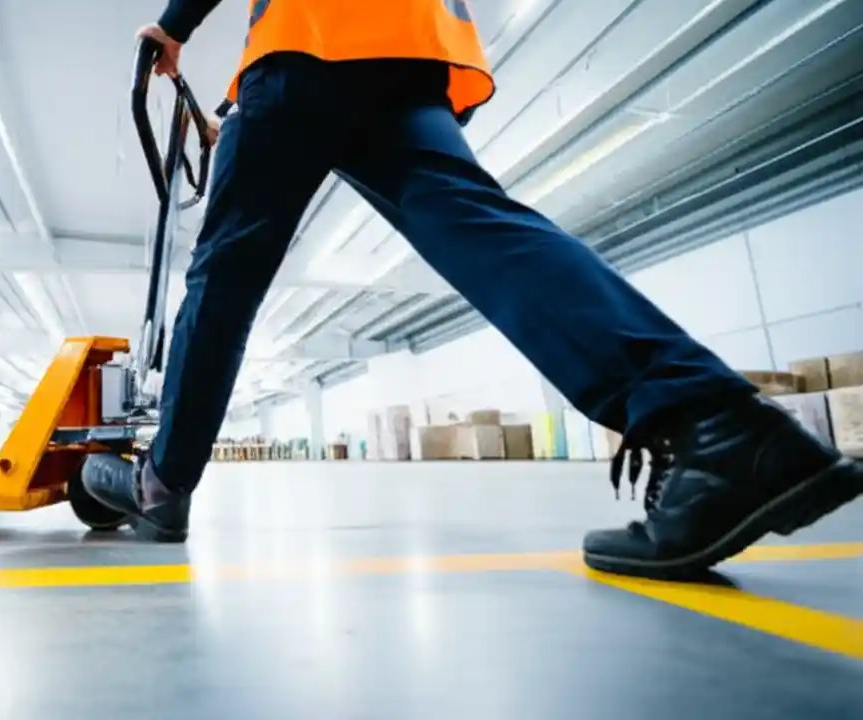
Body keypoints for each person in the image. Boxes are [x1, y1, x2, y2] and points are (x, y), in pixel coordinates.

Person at [82, 0, 862, 579]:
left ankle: (161, 484)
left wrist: (176, 24)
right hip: (407, 47)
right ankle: (718, 427)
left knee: (225, 273)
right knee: (482, 229)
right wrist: (234, 108)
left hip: (304, 47)